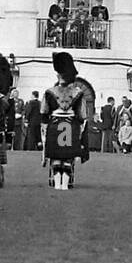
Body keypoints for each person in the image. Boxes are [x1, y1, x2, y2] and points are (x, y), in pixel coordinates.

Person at [44, 51, 89, 189]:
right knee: (68, 157)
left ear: (58, 75)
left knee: (56, 156)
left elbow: (44, 112)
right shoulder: (78, 93)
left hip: (54, 125)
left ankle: (56, 182)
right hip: (71, 125)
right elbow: (82, 114)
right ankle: (65, 182)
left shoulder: (49, 92)